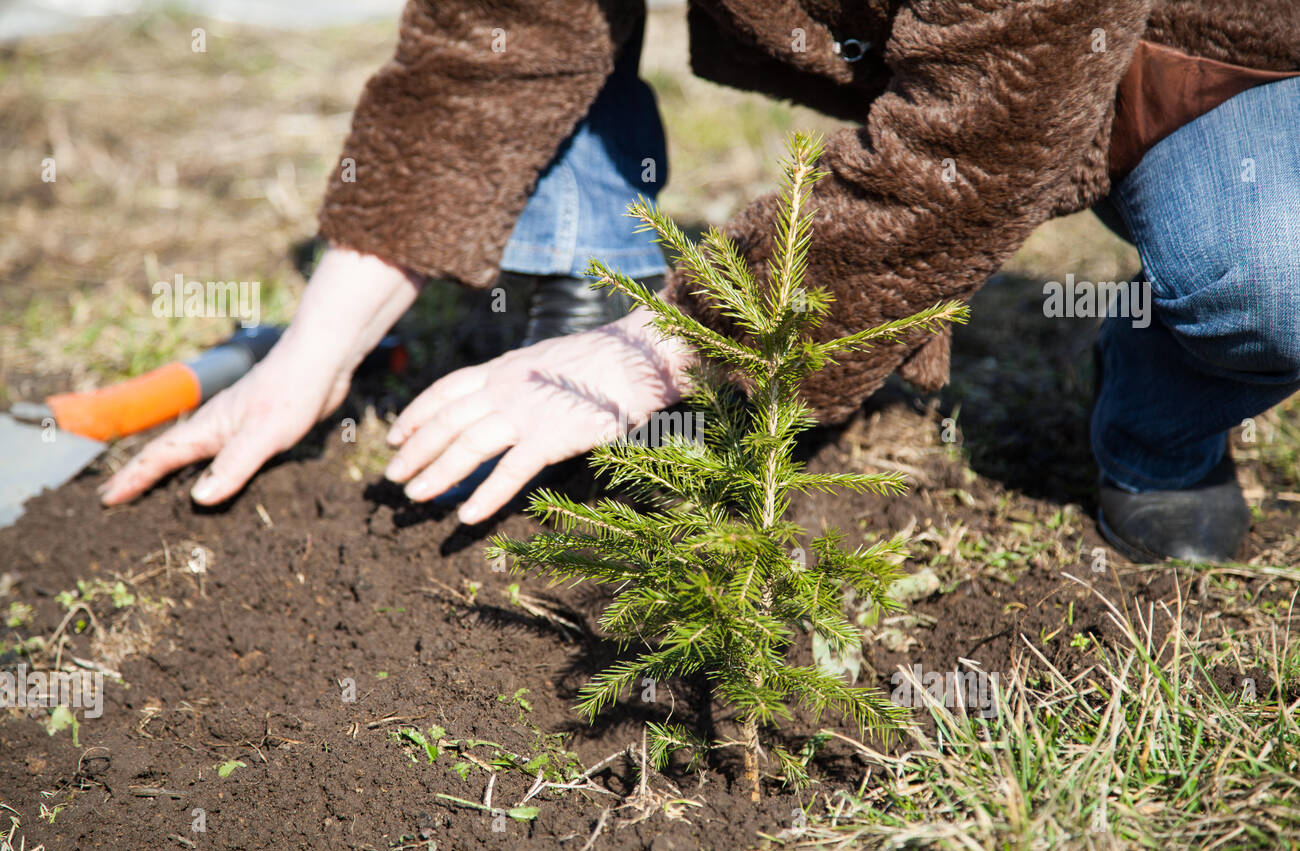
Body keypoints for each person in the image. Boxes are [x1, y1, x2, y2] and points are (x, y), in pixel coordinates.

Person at [100, 1, 1300, 564]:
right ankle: (562, 316)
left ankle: (1157, 425)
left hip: (1213, 63)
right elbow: (495, 38)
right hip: (974, 65)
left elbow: (964, 152)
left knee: (1274, 276)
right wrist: (311, 358)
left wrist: (654, 349)